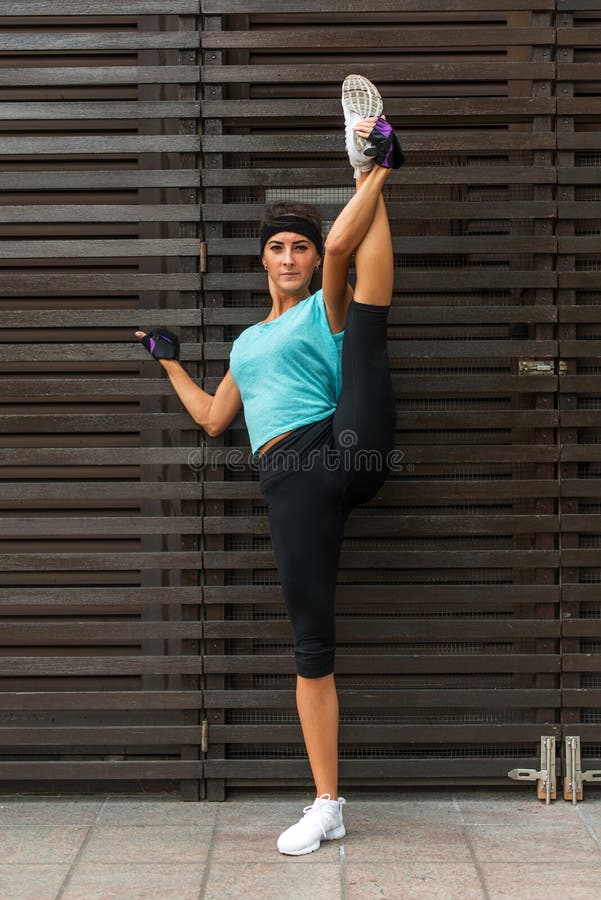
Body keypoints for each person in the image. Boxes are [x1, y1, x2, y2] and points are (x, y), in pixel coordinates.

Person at [135, 74, 404, 855]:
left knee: (366, 320)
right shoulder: (248, 344)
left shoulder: (326, 300)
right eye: (278, 247)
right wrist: (170, 366)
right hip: (289, 481)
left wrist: (376, 173)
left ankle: (373, 164)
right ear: (262, 261)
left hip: (347, 440)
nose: (289, 255)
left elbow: (346, 253)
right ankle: (328, 802)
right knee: (309, 643)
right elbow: (217, 419)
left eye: (300, 246)